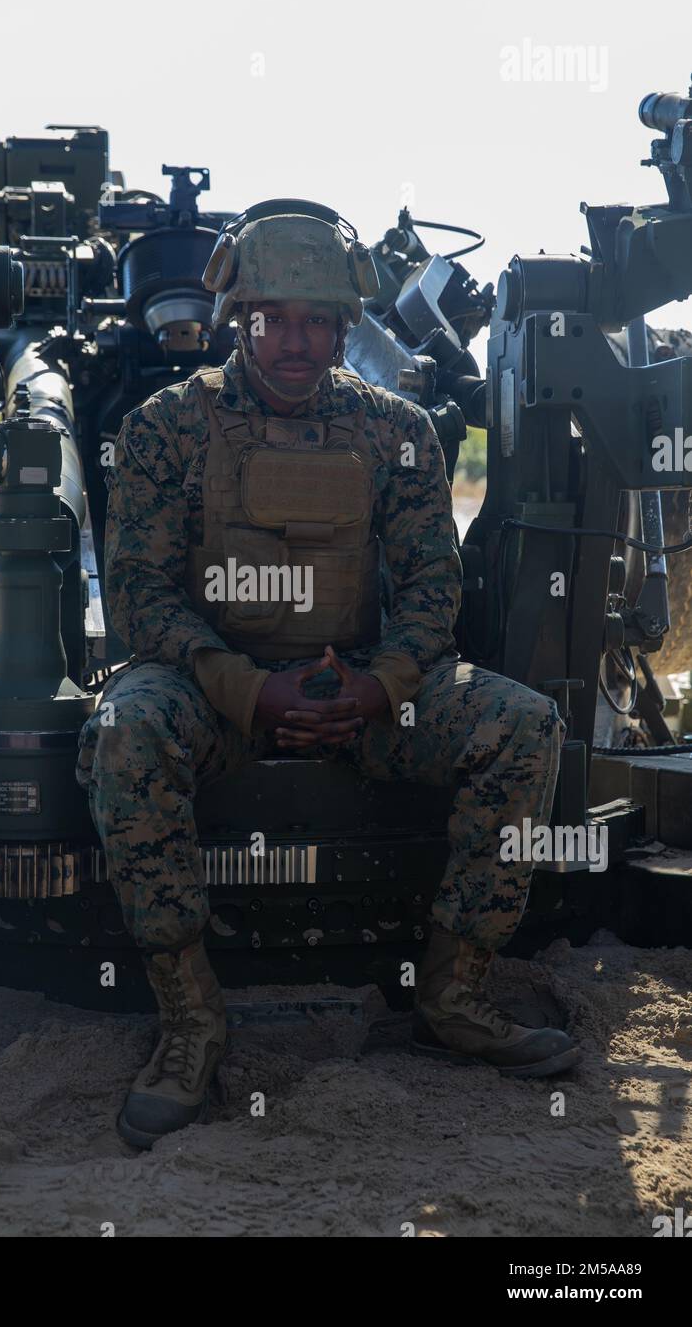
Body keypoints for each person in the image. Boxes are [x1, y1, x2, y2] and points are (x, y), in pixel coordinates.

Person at [76, 203, 578, 1151]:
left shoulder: (397, 433)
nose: (296, 340)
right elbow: (141, 604)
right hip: (212, 695)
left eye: (317, 319)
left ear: (347, 326)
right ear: (240, 320)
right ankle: (190, 1019)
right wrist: (246, 691)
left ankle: (455, 994)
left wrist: (379, 687)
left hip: (360, 688)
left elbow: (435, 589)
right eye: (274, 318)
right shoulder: (166, 430)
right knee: (124, 730)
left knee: (523, 724)